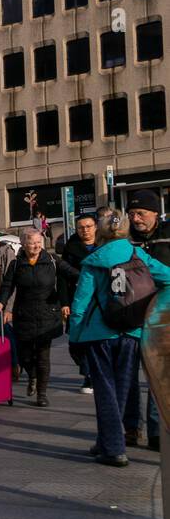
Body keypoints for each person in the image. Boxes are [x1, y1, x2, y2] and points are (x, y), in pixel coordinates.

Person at [68, 207, 170, 466]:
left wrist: (75, 338)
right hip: (132, 332)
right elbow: (168, 278)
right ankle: (107, 442)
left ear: (101, 231)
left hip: (99, 334)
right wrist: (153, 312)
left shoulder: (94, 260)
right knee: (122, 389)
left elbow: (80, 304)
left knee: (105, 391)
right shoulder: (138, 255)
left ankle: (113, 448)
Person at [0, 227, 76, 406]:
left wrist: (89, 276)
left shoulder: (52, 260)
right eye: (32, 243)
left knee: (43, 356)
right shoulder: (16, 264)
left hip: (47, 313)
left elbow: (71, 272)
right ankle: (32, 376)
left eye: (39, 242)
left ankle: (42, 394)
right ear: (23, 244)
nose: (36, 246)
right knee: (25, 356)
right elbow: (7, 286)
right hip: (24, 314)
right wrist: (1, 302)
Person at [127, 189, 167, 451]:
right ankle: (131, 429)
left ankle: (156, 431)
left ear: (155, 213)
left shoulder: (167, 237)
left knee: (158, 376)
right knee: (129, 377)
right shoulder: (125, 241)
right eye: (131, 214)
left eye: (141, 213)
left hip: (163, 318)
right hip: (130, 318)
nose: (136, 219)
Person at [58, 213, 99, 394]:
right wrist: (64, 302)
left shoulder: (104, 245)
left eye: (88, 226)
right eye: (81, 227)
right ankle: (86, 369)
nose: (85, 230)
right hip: (77, 299)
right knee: (75, 342)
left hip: (100, 300)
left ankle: (91, 376)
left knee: (97, 340)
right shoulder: (71, 247)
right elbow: (62, 277)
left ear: (96, 227)